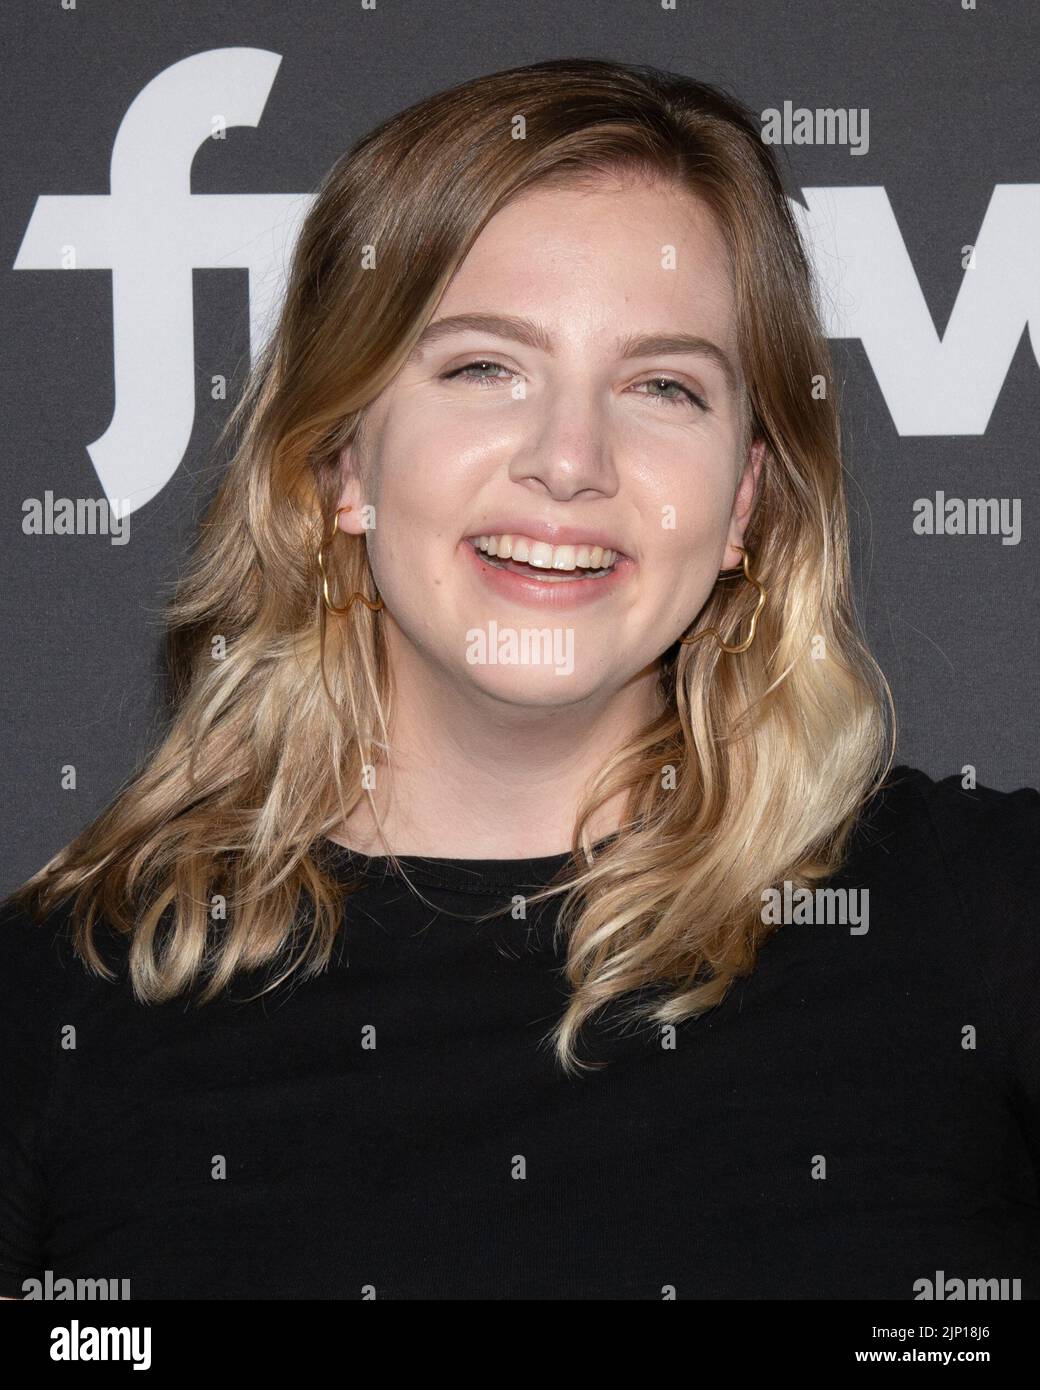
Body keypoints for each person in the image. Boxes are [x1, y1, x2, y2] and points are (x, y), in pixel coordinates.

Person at [1, 57, 1037, 1301]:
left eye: (662, 386)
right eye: (483, 367)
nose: (568, 459)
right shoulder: (61, 1000)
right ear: (339, 461)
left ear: (744, 505)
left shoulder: (983, 923)